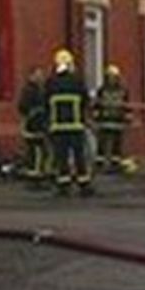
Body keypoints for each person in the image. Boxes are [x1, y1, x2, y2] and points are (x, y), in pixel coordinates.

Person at [44, 48, 94, 196]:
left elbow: (45, 103)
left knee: (61, 158)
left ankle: (63, 186)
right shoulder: (77, 82)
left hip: (57, 127)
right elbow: (85, 101)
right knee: (79, 157)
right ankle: (83, 185)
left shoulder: (51, 83)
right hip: (76, 126)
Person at [94, 64, 135, 174]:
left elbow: (126, 105)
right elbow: (97, 105)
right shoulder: (102, 90)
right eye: (109, 77)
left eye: (113, 77)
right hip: (104, 120)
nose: (111, 79)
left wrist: (128, 116)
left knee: (117, 144)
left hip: (117, 120)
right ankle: (100, 163)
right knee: (102, 144)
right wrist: (96, 116)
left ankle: (115, 164)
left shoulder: (123, 90)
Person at [17, 66, 49, 187]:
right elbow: (23, 107)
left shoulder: (37, 89)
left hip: (36, 125)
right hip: (33, 126)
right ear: (31, 76)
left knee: (38, 152)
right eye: (38, 74)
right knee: (37, 152)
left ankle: (36, 176)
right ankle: (35, 178)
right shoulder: (30, 90)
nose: (41, 77)